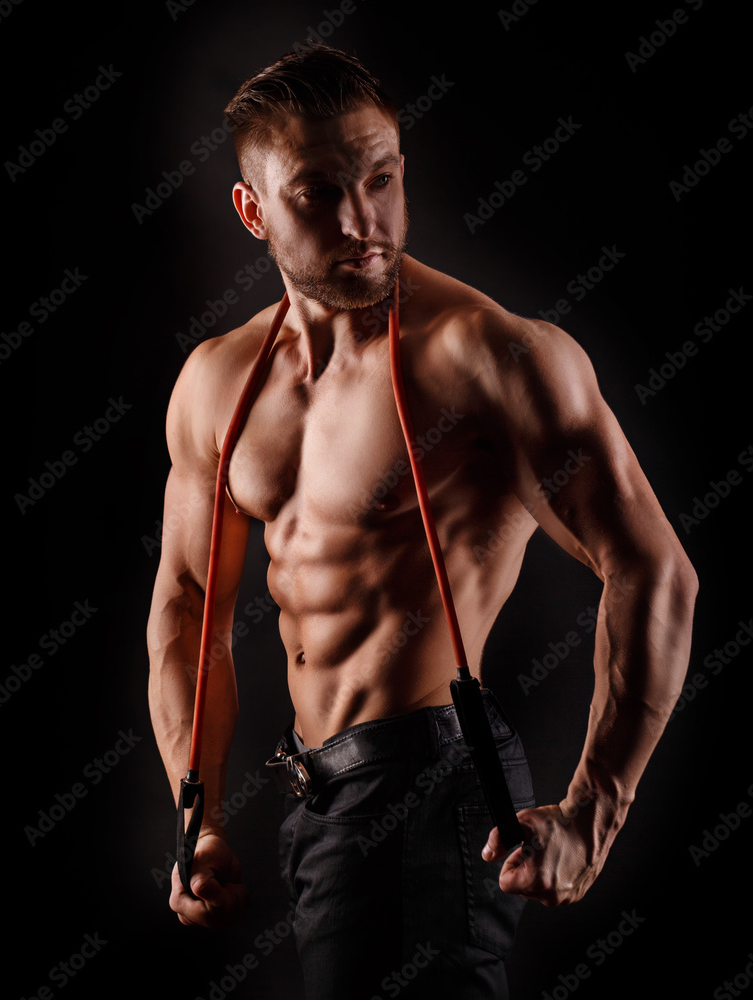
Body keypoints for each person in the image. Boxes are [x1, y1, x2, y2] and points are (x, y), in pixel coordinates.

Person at [147, 44, 698, 999]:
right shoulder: (217, 384)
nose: (363, 222)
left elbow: (655, 570)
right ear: (254, 211)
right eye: (318, 194)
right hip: (317, 802)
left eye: (383, 179)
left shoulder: (492, 358)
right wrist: (197, 818)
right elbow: (189, 606)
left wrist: (592, 813)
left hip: (425, 788)